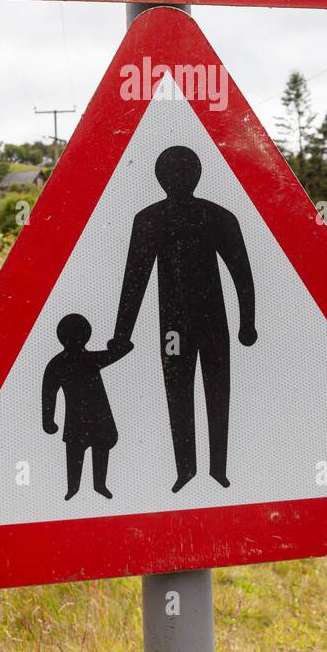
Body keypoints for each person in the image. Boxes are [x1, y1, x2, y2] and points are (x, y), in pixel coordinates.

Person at [108, 146, 256, 493]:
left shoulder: (215, 216)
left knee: (207, 391)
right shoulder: (152, 219)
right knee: (186, 392)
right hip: (181, 325)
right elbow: (136, 278)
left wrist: (247, 323)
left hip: (191, 323)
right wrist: (121, 334)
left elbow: (241, 272)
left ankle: (215, 469)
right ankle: (188, 471)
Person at [42, 313, 131, 501]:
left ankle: (98, 486)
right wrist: (47, 421)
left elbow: (49, 394)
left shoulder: (65, 362)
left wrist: (49, 420)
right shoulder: (67, 362)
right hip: (84, 419)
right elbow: (49, 393)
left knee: (96, 450)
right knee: (78, 452)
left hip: (91, 419)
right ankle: (74, 489)